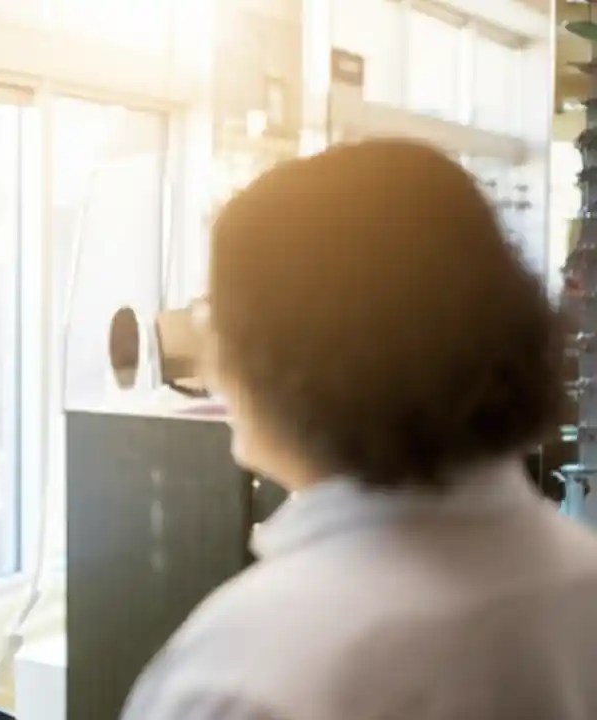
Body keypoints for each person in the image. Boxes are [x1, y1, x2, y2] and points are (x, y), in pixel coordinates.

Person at [122, 139, 597, 719]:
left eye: (213, 315)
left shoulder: (248, 673)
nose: (212, 355)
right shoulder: (580, 575)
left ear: (290, 351)